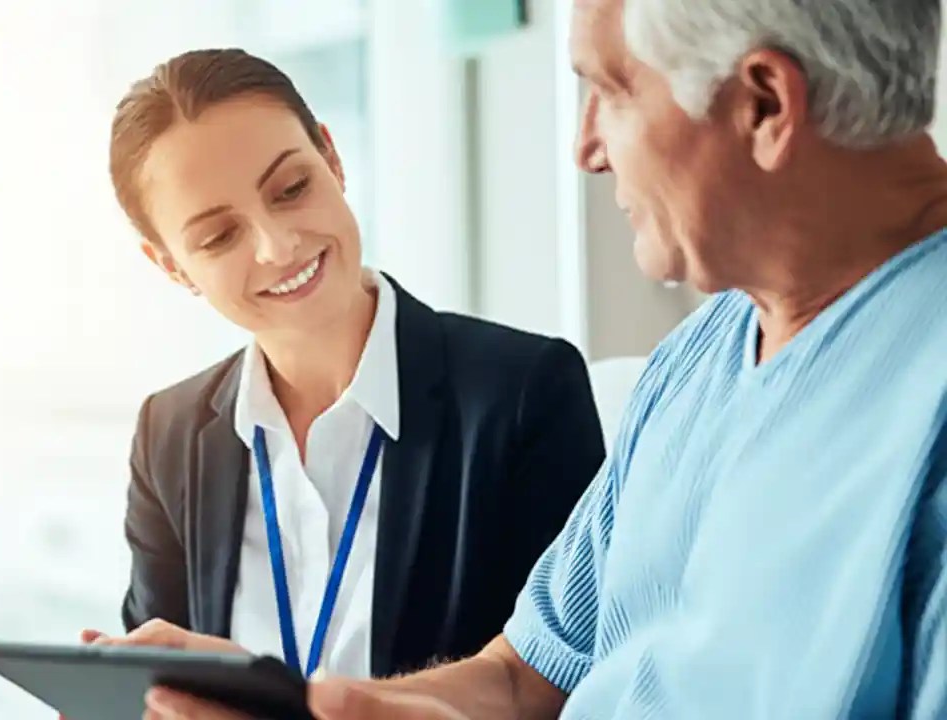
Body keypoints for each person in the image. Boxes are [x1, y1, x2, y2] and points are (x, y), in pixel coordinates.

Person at [114, 1, 947, 718]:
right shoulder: (697, 359)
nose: (586, 149)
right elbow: (520, 680)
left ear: (765, 105)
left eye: (611, 91)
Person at [93, 48, 606, 682]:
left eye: (291, 189)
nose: (278, 246)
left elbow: (565, 684)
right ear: (171, 266)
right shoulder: (169, 434)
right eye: (219, 237)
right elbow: (159, 687)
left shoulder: (523, 393)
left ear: (332, 160)